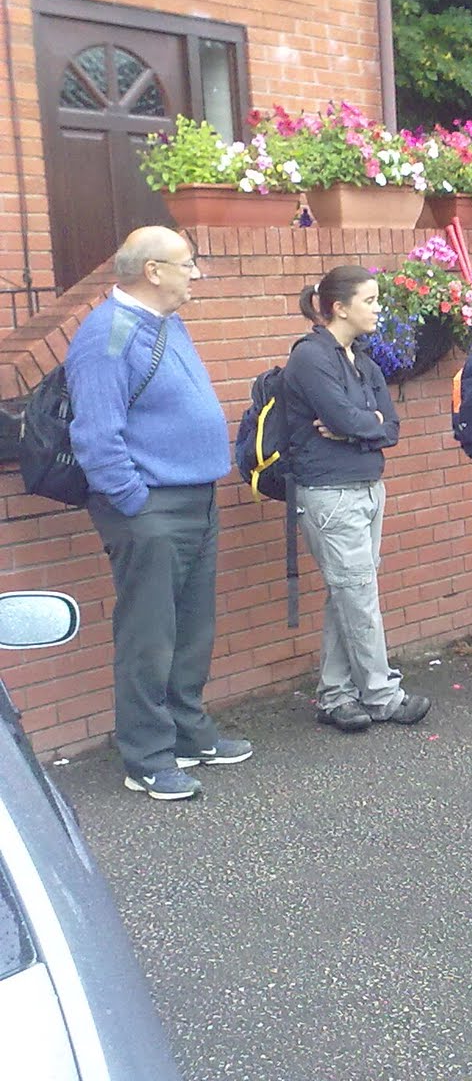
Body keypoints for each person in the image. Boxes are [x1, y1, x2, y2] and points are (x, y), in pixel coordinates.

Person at [65, 226, 249, 800]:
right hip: (150, 507)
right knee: (150, 634)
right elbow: (97, 436)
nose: (195, 273)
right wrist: (134, 502)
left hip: (194, 498)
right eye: (187, 263)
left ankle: (189, 732)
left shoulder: (166, 322)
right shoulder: (108, 336)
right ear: (153, 270)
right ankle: (146, 756)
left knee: (192, 627)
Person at [281, 266, 431, 734]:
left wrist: (358, 430)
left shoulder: (362, 360)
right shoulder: (310, 357)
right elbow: (346, 417)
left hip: (367, 486)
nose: (378, 308)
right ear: (340, 307)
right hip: (330, 492)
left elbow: (389, 426)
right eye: (370, 300)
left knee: (347, 592)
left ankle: (336, 695)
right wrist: (360, 428)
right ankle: (382, 695)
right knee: (358, 594)